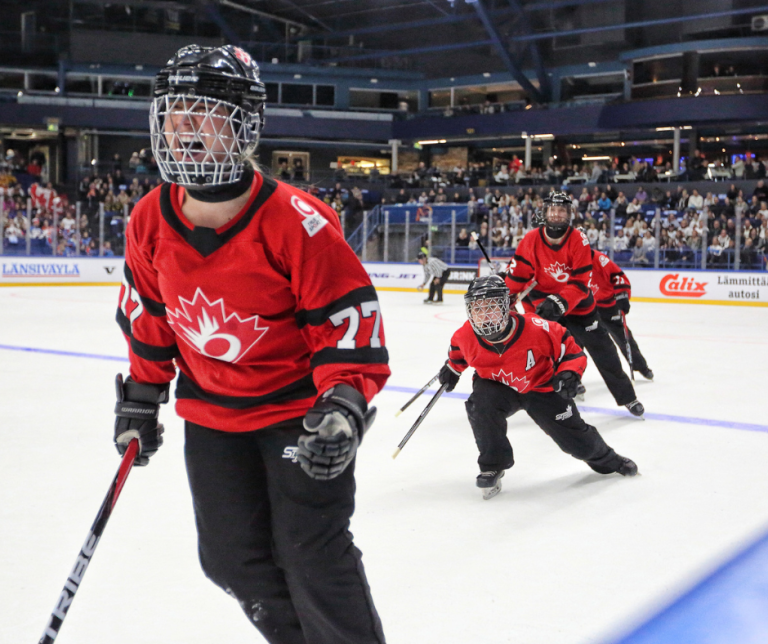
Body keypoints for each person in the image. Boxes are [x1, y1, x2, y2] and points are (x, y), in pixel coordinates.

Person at [113, 44, 390, 644]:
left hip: (299, 415)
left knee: (311, 556)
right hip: (213, 415)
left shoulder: (299, 221)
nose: (183, 126)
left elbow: (346, 328)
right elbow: (150, 318)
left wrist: (344, 404)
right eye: (173, 111)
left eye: (203, 111)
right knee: (229, 561)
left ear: (244, 124)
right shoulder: (149, 220)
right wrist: (140, 397)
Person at [437, 276, 638, 499]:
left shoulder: (537, 328)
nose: (484, 315)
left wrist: (569, 373)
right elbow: (458, 354)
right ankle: (492, 464)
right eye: (478, 308)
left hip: (542, 388)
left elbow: (571, 350)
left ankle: (608, 459)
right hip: (499, 388)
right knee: (481, 404)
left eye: (492, 307)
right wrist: (452, 369)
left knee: (577, 443)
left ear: (506, 307)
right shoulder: (464, 336)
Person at [502, 191, 644, 417]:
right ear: (545, 212)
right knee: (546, 356)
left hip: (580, 308)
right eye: (553, 210)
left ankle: (628, 397)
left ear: (569, 214)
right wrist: (505, 297)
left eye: (561, 210)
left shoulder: (579, 239)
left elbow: (580, 283)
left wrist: (558, 301)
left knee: (605, 353)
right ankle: (552, 398)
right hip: (547, 310)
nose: (557, 214)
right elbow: (518, 276)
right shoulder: (530, 240)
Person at [590, 250, 653, 380]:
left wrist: (622, 295)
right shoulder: (569, 259)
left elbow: (618, 276)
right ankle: (573, 377)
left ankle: (640, 366)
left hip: (608, 307)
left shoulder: (599, 259)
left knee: (624, 338)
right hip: (587, 307)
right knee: (576, 341)